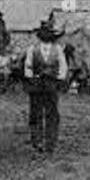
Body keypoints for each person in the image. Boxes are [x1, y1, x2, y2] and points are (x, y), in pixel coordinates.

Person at [24, 17, 68, 153]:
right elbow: (28, 66)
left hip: (51, 84)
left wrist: (58, 79)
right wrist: (32, 78)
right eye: (45, 33)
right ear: (41, 35)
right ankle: (37, 142)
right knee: (35, 113)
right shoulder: (33, 49)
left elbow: (63, 66)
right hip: (37, 84)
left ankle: (51, 143)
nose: (47, 37)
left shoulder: (58, 49)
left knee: (52, 114)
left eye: (49, 34)